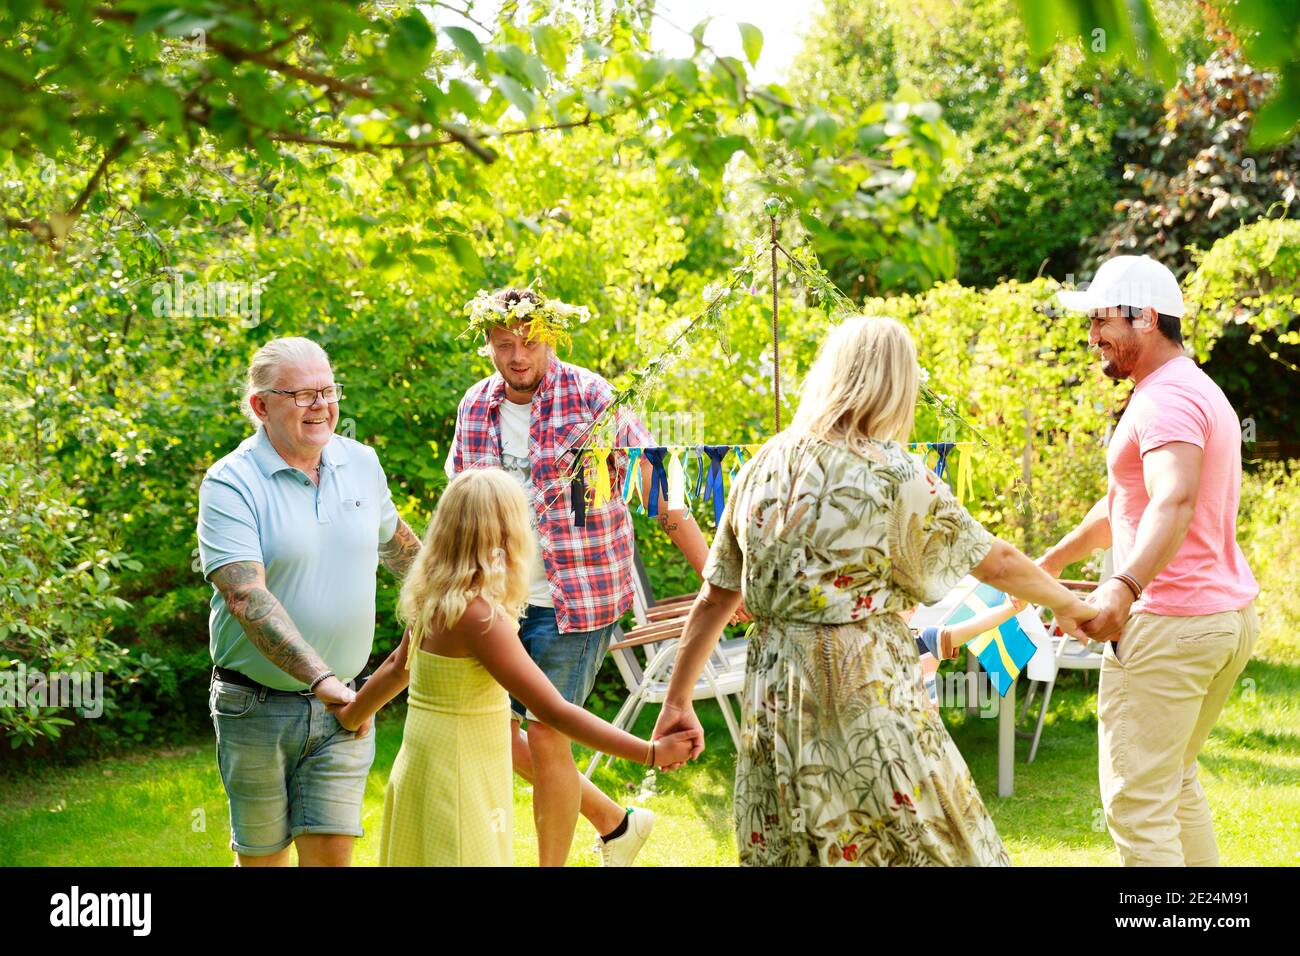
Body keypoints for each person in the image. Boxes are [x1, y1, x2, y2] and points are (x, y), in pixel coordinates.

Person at [651, 315, 1098, 866]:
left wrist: (677, 701)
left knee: (802, 847)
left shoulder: (764, 463)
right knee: (927, 841)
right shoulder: (894, 474)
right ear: (895, 385)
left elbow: (715, 596)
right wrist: (1073, 605)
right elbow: (996, 562)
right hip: (864, 689)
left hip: (774, 697)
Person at [445, 286, 743, 866]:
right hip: (498, 602)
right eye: (504, 345)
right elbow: (459, 500)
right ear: (488, 346)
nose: (517, 357)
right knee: (496, 732)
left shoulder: (591, 397)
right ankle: (616, 824)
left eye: (529, 344)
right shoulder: (475, 406)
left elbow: (665, 493)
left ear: (551, 339)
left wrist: (719, 578)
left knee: (551, 736)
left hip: (576, 602)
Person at [329, 469, 699, 866]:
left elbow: (395, 667)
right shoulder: (480, 618)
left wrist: (352, 714)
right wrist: (649, 753)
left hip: (423, 770)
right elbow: (554, 711)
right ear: (506, 536)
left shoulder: (435, 597)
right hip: (459, 781)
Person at [1047, 255, 1259, 866]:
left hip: (1170, 626)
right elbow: (1127, 499)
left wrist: (1123, 586)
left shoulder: (1164, 400)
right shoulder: (1188, 389)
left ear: (1143, 316)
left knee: (1138, 805)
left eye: (1100, 322)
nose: (1092, 340)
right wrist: (1056, 560)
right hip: (1219, 618)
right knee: (1173, 782)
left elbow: (1175, 498)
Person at [197, 337, 421, 867]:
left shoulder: (361, 462)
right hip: (254, 706)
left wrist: (463, 597)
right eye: (301, 395)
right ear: (260, 406)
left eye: (327, 390)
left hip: (345, 711)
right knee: (264, 861)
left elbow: (402, 551)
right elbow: (245, 596)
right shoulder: (230, 482)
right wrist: (323, 682)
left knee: (331, 861)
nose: (321, 405)